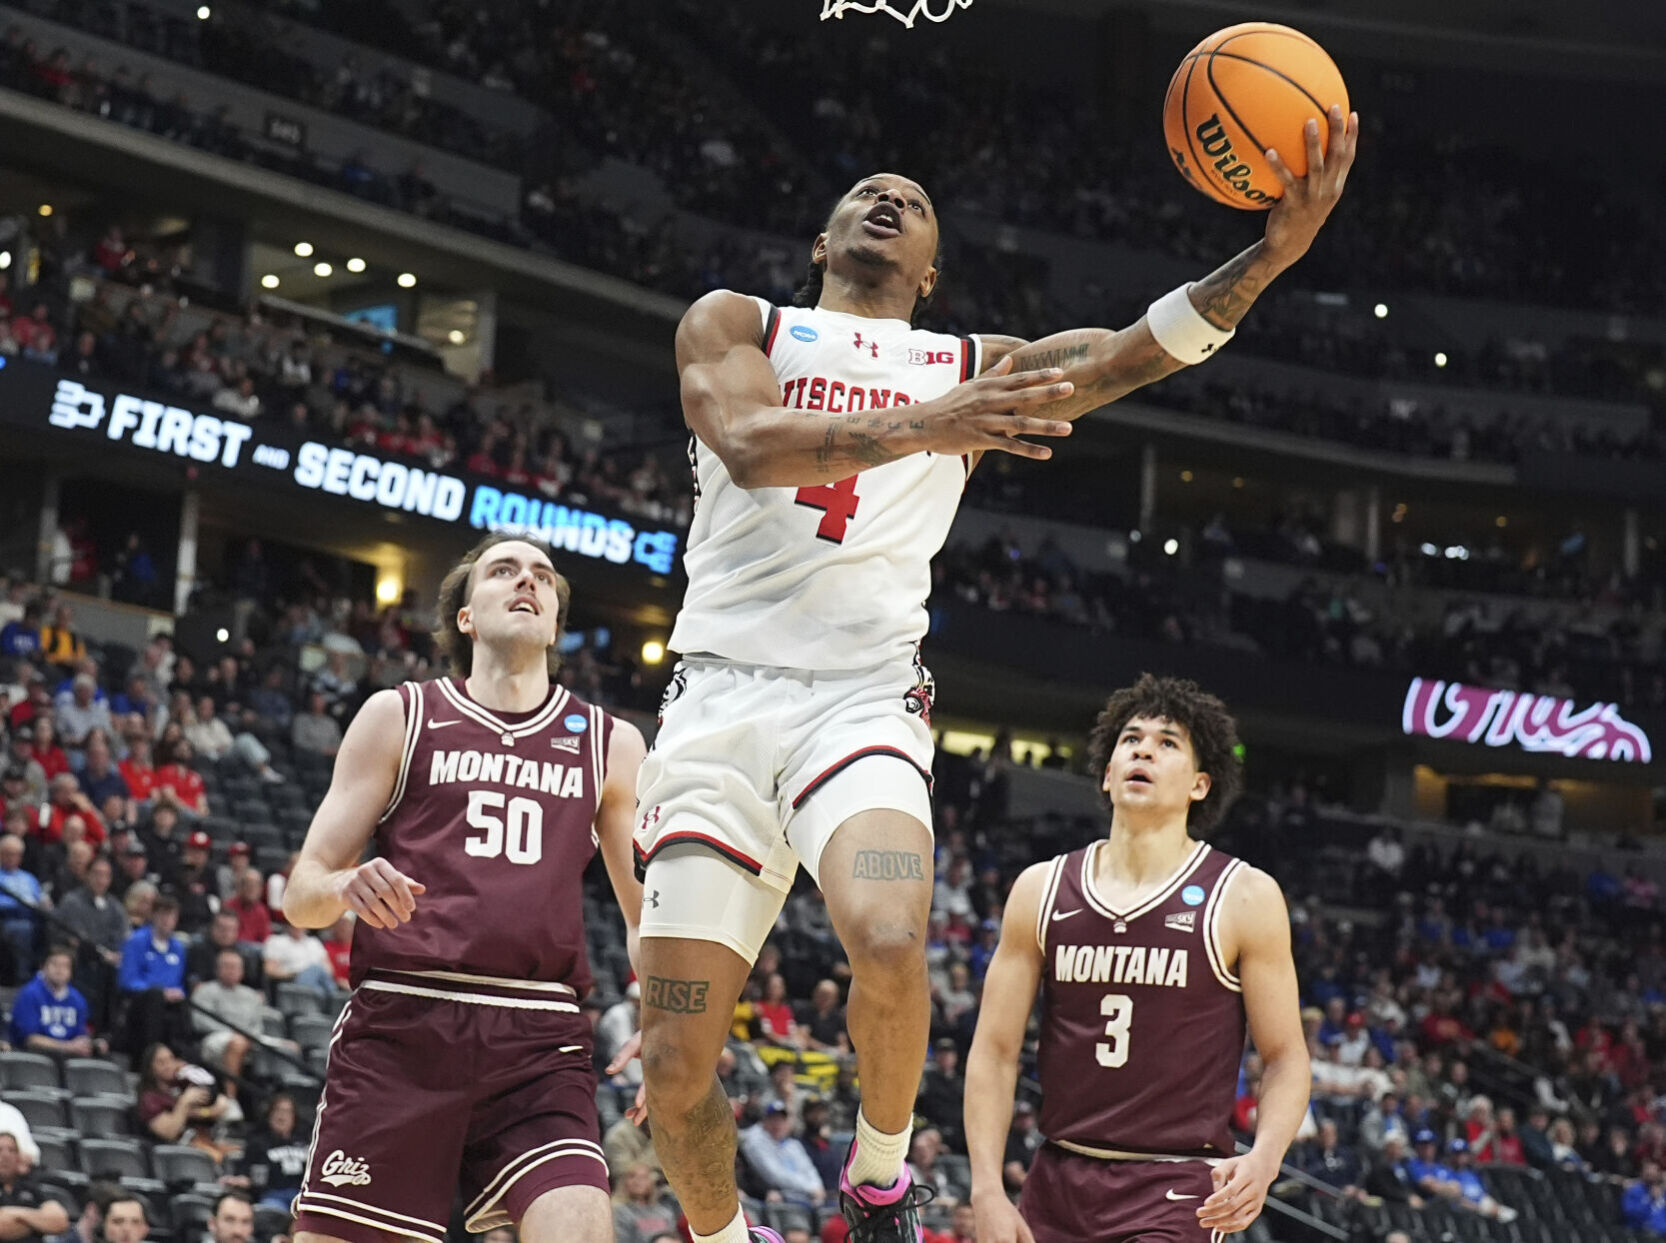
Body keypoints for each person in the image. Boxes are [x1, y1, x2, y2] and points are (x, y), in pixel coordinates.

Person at [636, 116, 1357, 1243]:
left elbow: (1130, 352)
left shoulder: (976, 364)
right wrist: (934, 425)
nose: (886, 197)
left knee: (884, 936)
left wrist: (1272, 253)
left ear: (931, 272)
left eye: (912, 201)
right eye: (866, 190)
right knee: (673, 1077)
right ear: (819, 243)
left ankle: (878, 1180)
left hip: (859, 701)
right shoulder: (740, 323)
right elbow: (745, 441)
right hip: (716, 704)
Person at [282, 534, 646, 1243]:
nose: (527, 581)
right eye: (503, 570)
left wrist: (664, 1019)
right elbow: (302, 892)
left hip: (539, 1039)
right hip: (403, 1026)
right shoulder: (401, 715)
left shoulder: (611, 742)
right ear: (466, 615)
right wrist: (347, 883)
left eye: (543, 575)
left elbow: (645, 913)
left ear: (554, 622)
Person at [964, 676, 1311, 1243]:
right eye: (1130, 739)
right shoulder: (1041, 889)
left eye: (1167, 742)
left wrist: (1265, 1157)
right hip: (1056, 1178)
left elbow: (1285, 1056)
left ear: (1201, 784)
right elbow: (995, 1051)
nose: (1143, 749)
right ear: (1106, 773)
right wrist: (985, 1188)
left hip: (1174, 1186)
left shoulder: (1244, 895)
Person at [117, 893, 190, 1052]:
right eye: (163, 914)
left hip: (168, 1003)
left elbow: (178, 981)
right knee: (155, 997)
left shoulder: (178, 948)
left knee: (183, 1003)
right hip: (139, 1001)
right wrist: (159, 992)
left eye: (171, 916)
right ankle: (150, 1053)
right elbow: (128, 980)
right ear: (153, 915)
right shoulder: (136, 941)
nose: (166, 920)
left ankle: (182, 1055)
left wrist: (177, 993)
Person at [8, 945, 95, 1056]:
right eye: (54, 964)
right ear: (43, 967)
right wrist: (68, 1047)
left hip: (68, 1059)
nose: (60, 970)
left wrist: (89, 1044)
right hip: (31, 1057)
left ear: (71, 972)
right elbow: (30, 1040)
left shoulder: (78, 999)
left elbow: (80, 1035)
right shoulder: (29, 994)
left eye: (65, 966)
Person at [739, 1103, 827, 1210]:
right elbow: (774, 1175)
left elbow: (809, 1169)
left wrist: (817, 1186)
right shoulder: (756, 1144)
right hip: (778, 1198)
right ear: (764, 1121)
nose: (777, 1124)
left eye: (781, 1120)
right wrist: (810, 1188)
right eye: (773, 1119)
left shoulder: (793, 1145)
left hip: (806, 1196)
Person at [242, 1093, 309, 1211]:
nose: (282, 1116)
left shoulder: (305, 1143)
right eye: (278, 1110)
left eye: (287, 1111)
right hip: (272, 1196)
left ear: (294, 1117)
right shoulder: (257, 1143)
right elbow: (245, 1171)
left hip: (302, 1197)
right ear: (269, 1115)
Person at [0, 1132, 69, 1241]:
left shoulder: (29, 1187)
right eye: (0, 1150)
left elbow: (60, 1221)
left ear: (19, 1157)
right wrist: (39, 1223)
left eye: (12, 1150)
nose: (6, 1155)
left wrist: (13, 1213)